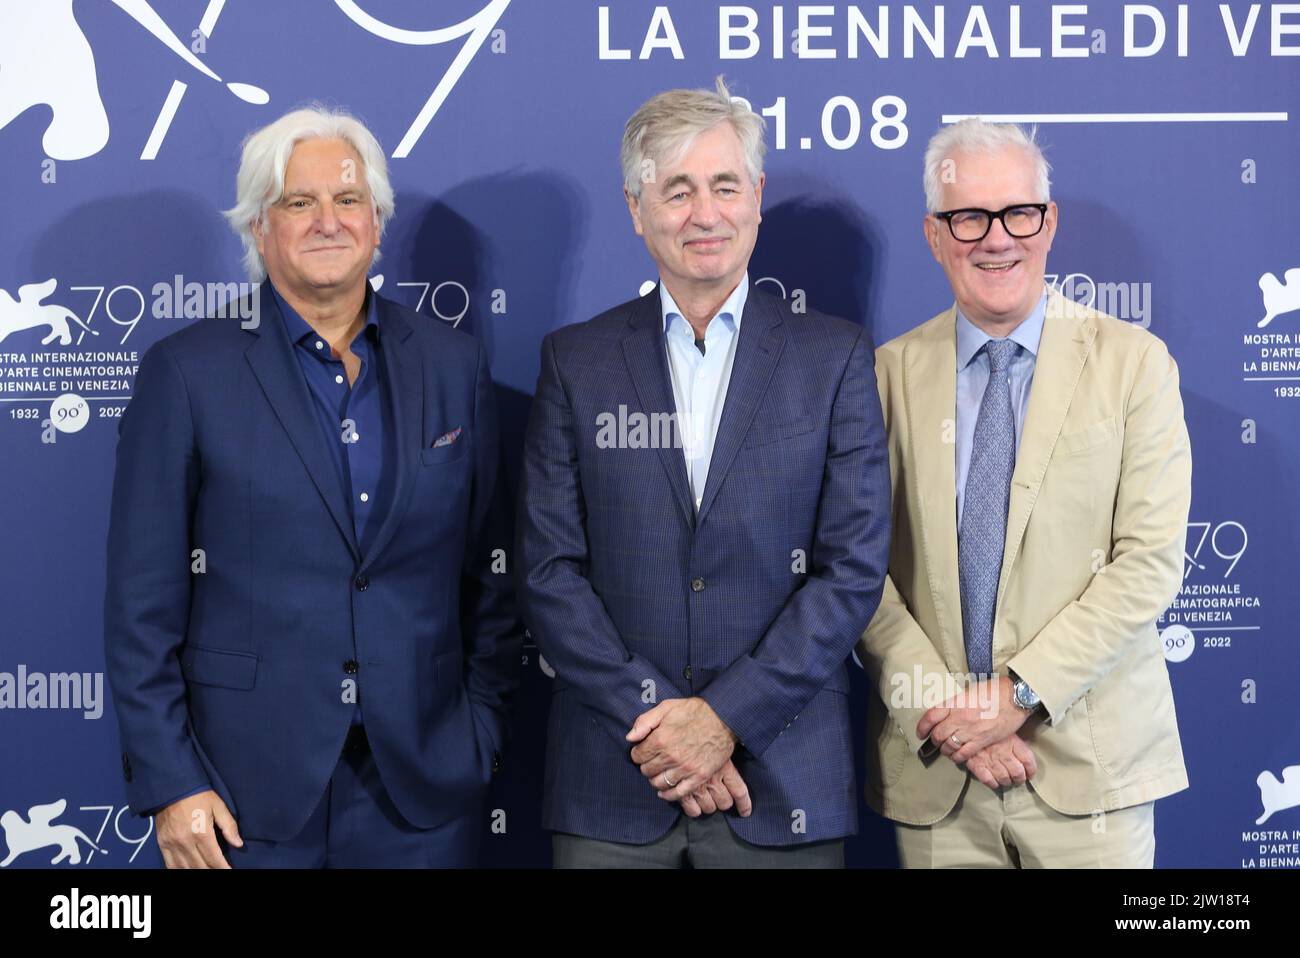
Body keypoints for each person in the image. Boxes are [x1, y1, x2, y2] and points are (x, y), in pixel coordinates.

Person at [104, 106, 519, 868]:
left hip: (420, 795)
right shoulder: (187, 373)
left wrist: (478, 731)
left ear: (378, 224)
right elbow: (142, 604)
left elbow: (490, 574)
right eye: (300, 202)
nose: (329, 221)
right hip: (240, 798)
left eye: (349, 199)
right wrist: (171, 783)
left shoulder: (452, 365)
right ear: (260, 228)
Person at [516, 78, 890, 867]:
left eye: (724, 185)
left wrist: (724, 720)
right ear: (635, 208)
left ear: (757, 196)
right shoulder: (576, 362)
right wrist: (662, 723)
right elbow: (550, 572)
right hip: (614, 780)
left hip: (781, 779)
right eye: (676, 190)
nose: (704, 213)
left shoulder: (835, 359)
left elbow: (851, 571)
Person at [858, 118, 1191, 868]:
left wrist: (1013, 697)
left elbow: (1148, 565)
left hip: (1088, 773)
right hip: (938, 777)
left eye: (1019, 213)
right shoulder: (884, 377)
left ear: (1050, 223)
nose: (996, 238)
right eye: (968, 216)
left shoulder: (1134, 365)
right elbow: (858, 575)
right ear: (934, 235)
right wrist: (950, 718)